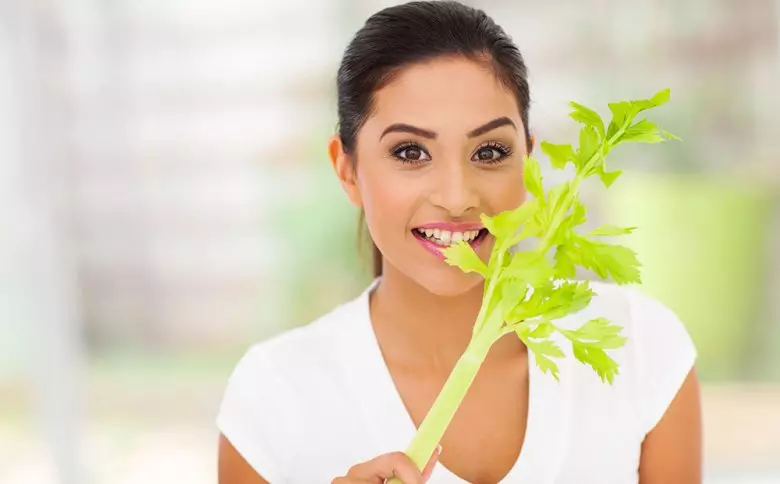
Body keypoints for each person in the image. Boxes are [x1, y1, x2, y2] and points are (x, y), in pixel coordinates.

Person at [216, 2, 702, 483]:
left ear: (528, 162)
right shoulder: (272, 398)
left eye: (489, 151)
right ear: (347, 170)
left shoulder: (643, 348)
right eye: (410, 152)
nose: (455, 197)